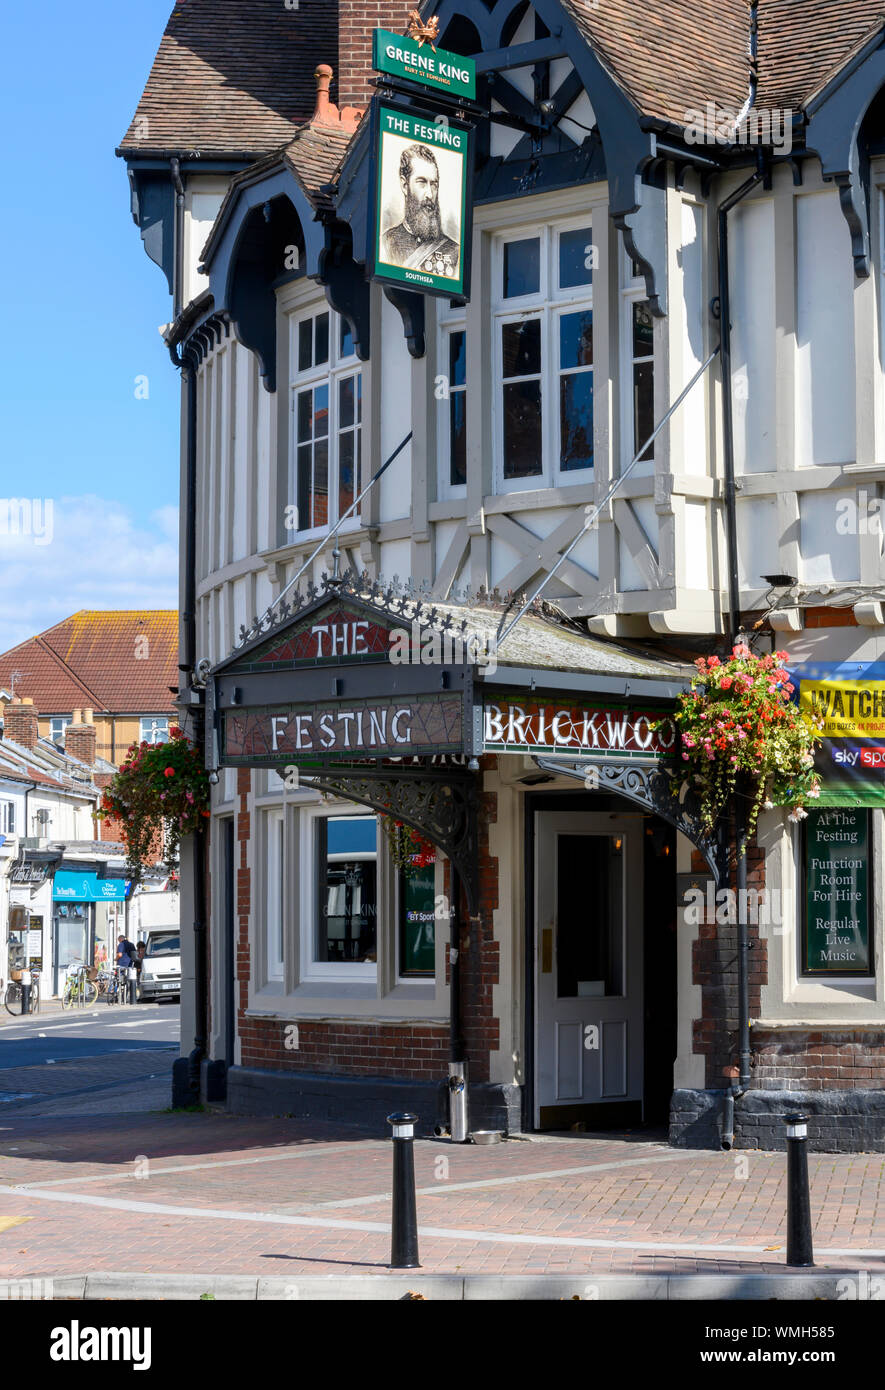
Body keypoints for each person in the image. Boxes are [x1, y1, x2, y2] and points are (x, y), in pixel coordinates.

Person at [381, 144, 459, 278]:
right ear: (405, 185)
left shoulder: (455, 251)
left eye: (434, 184)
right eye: (422, 182)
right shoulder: (385, 243)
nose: (429, 193)